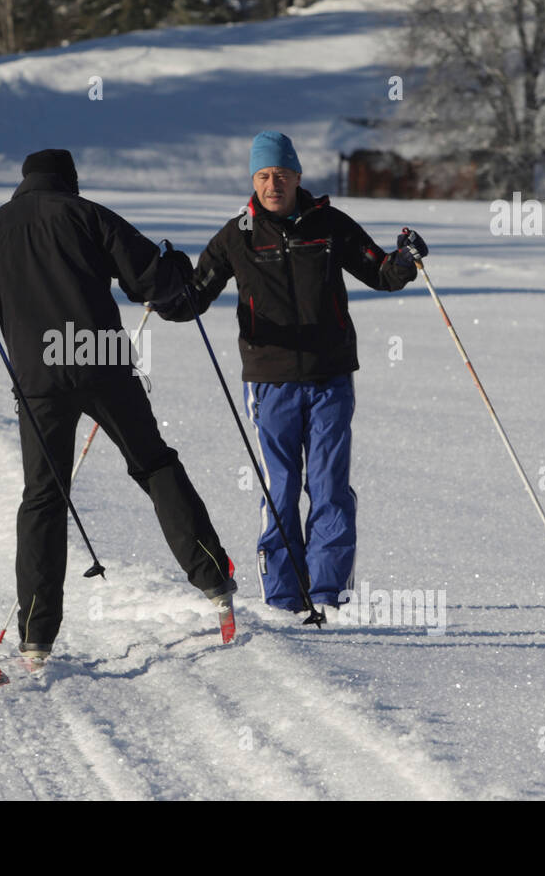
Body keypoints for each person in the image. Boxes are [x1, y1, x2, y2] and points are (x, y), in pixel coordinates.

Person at [0, 148, 236, 667]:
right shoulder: (89, 214)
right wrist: (173, 265)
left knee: (44, 498)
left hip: (38, 377)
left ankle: (36, 637)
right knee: (153, 464)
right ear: (70, 180)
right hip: (101, 360)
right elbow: (151, 282)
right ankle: (214, 582)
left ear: (24, 181)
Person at [158, 131, 427, 622]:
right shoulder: (236, 235)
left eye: (281, 174)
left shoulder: (330, 224)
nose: (272, 183)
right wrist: (161, 284)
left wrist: (405, 259)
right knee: (280, 487)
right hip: (270, 379)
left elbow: (381, 272)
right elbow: (192, 298)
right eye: (263, 175)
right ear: (253, 181)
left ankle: (328, 595)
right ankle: (284, 598)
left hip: (330, 377)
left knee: (329, 485)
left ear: (298, 176)